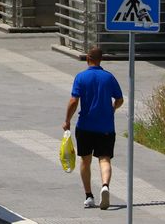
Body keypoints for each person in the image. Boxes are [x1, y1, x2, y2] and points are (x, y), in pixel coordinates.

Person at [64, 46, 123, 210]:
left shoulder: (81, 77)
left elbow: (74, 101)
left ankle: (89, 196)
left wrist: (67, 120)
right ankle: (105, 186)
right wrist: (112, 109)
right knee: (104, 159)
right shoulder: (109, 77)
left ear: (88, 59)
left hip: (85, 126)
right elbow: (119, 99)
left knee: (85, 160)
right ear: (101, 59)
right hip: (106, 127)